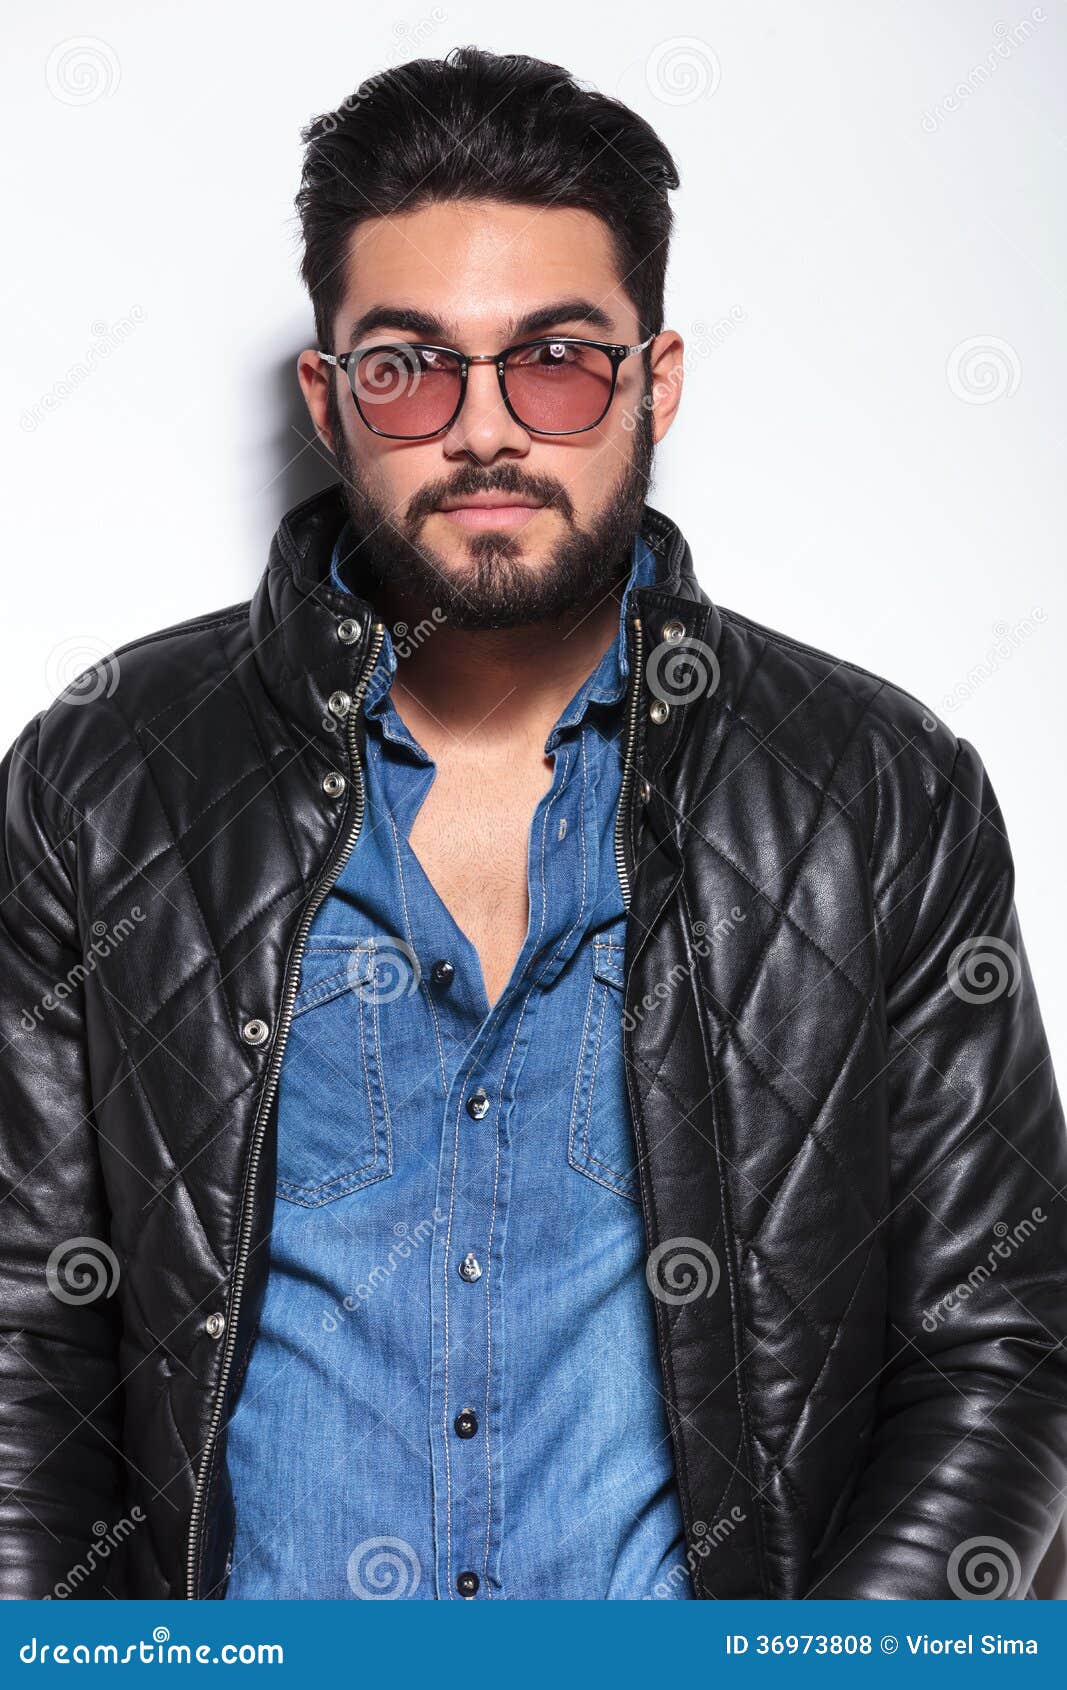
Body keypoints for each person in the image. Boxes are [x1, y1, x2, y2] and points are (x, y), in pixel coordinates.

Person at [1, 46, 1064, 1603]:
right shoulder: (104, 779)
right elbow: (22, 1329)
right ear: (330, 395)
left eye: (557, 360)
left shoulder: (875, 792)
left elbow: (1007, 1340)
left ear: (658, 378)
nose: (487, 429)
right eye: (409, 364)